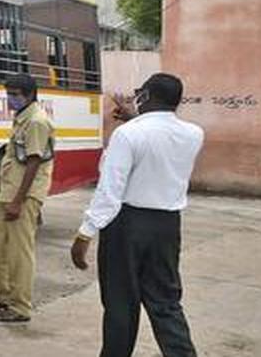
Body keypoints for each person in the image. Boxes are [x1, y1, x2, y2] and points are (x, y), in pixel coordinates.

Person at [71, 73, 203, 357]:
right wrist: (135, 118)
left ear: (145, 96)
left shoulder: (127, 135)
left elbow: (110, 189)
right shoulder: (194, 134)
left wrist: (86, 232)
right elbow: (158, 140)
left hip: (126, 225)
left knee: (120, 303)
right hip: (167, 225)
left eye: (139, 93)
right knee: (166, 301)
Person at [0, 73, 56, 322]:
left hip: (22, 196)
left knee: (19, 252)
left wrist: (18, 201)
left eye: (14, 95)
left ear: (30, 95)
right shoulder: (22, 118)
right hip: (9, 191)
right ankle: (5, 295)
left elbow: (33, 163)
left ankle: (20, 306)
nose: (10, 99)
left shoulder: (36, 121)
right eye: (8, 94)